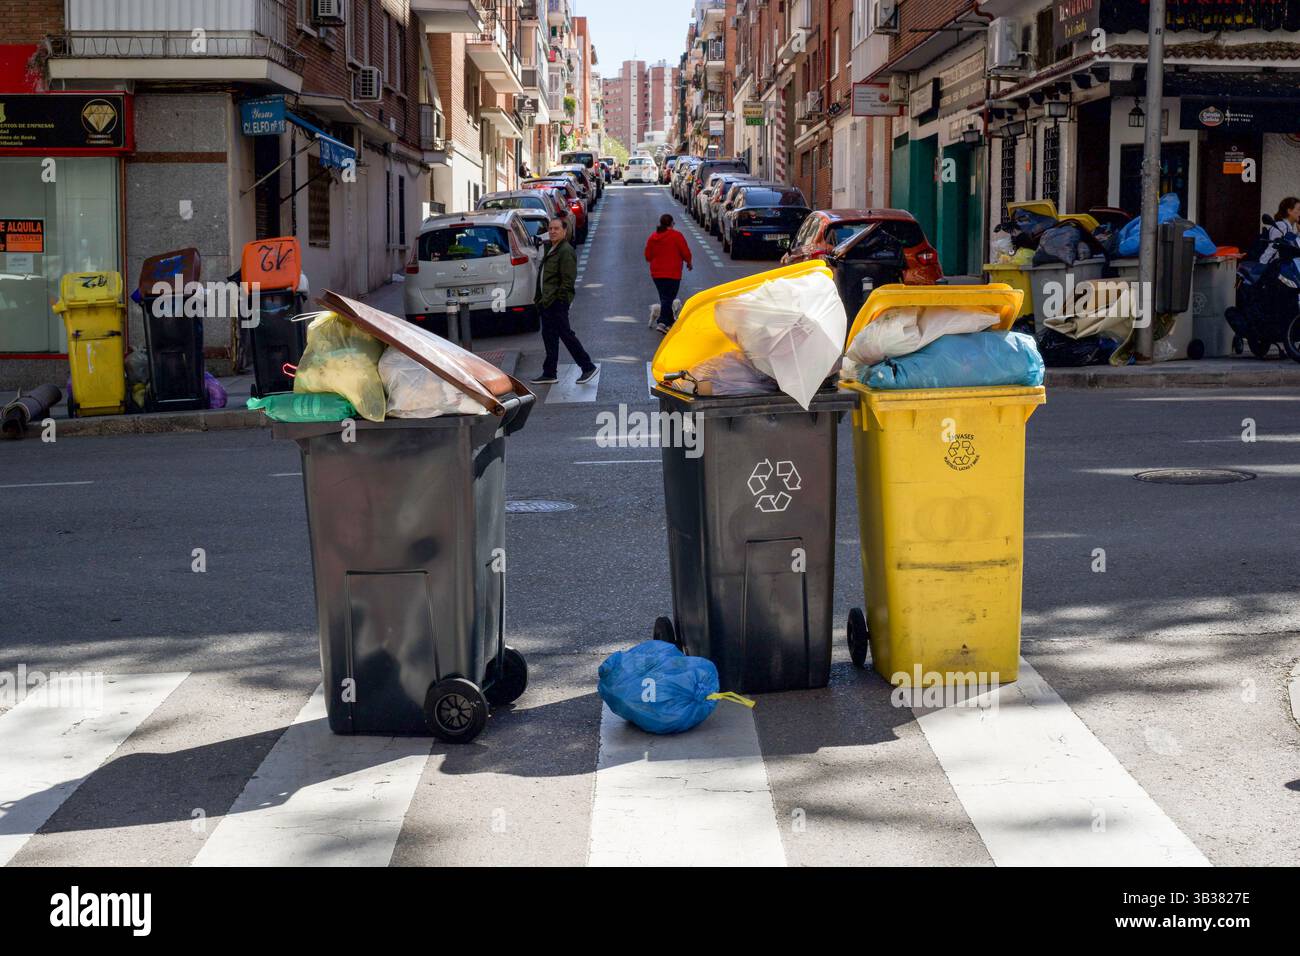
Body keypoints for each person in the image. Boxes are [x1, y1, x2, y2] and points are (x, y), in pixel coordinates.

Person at [530, 217, 598, 386]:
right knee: (549, 337)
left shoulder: (565, 250)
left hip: (556, 302)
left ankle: (587, 366)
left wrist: (560, 299)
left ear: (564, 231)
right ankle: (549, 372)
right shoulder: (551, 248)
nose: (552, 231)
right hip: (547, 302)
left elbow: (568, 279)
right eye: (550, 228)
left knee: (566, 335)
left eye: (556, 229)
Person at [644, 213, 693, 334]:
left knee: (664, 297)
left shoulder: (653, 237)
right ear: (671, 224)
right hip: (672, 273)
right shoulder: (676, 236)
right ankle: (662, 322)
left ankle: (670, 322)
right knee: (668, 298)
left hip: (657, 274)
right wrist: (689, 262)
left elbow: (648, 256)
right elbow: (685, 251)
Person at [1260, 196, 1300, 264]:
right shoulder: (1281, 226)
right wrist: (1262, 267)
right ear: (1289, 211)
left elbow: (1296, 248)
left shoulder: (1288, 227)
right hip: (1274, 269)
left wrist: (1299, 231)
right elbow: (1271, 249)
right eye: (1299, 209)